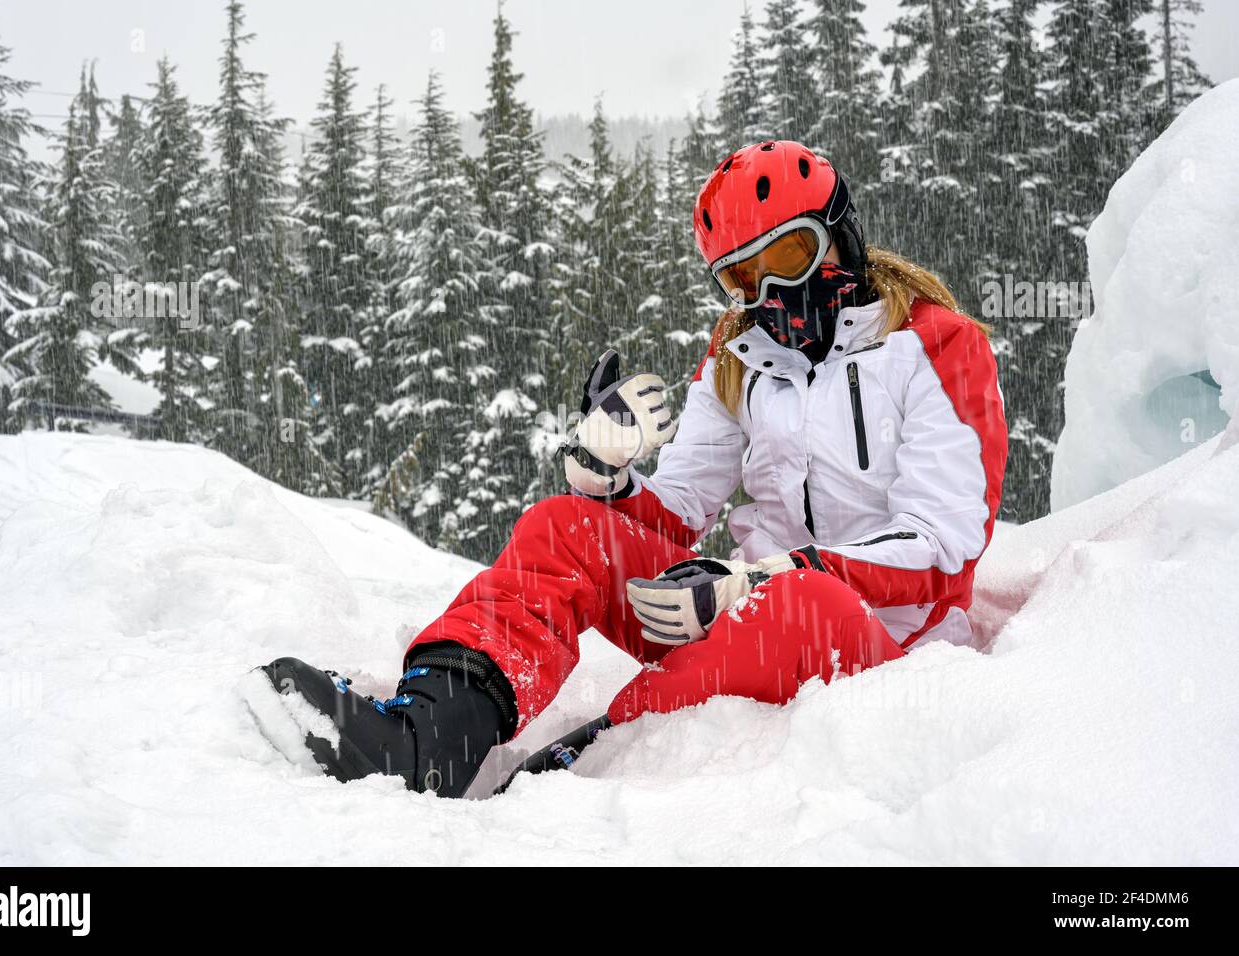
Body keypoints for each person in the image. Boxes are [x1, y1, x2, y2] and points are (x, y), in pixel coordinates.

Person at [258, 141, 1008, 798]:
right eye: (742, 279)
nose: (772, 295)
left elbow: (941, 546)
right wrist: (609, 478)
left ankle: (585, 765)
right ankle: (429, 737)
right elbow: (678, 512)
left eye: (788, 257)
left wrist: (766, 577)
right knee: (562, 527)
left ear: (841, 237)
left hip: (882, 645)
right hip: (737, 611)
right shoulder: (741, 356)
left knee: (801, 603)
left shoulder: (937, 347)